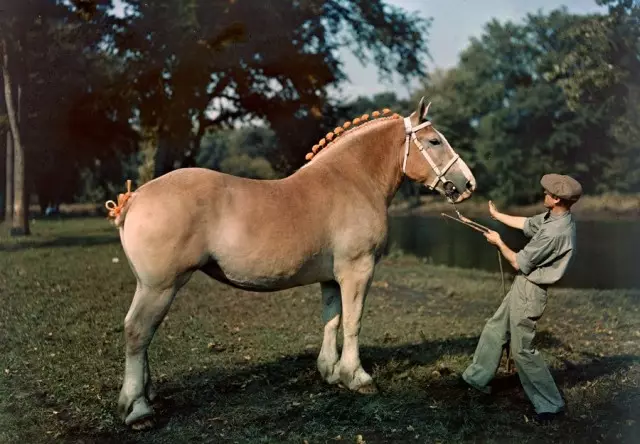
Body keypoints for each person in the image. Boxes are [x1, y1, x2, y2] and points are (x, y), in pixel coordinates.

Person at [461, 173, 582, 423]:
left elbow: (518, 262)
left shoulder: (556, 233)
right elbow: (526, 223)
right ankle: (476, 378)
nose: (544, 195)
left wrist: (498, 242)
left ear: (557, 198)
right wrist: (497, 216)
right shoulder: (553, 217)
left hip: (531, 291)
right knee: (495, 328)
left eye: (547, 193)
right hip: (522, 286)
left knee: (522, 350)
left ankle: (551, 404)